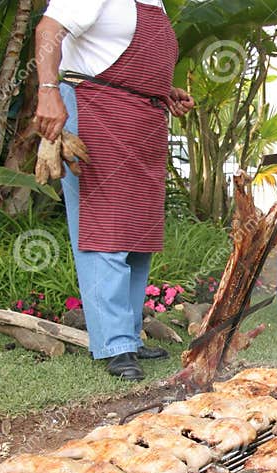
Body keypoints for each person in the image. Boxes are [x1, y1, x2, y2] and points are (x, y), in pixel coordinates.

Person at [35, 0, 194, 381]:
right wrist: (47, 90)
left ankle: (129, 337)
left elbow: (117, 54)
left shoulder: (153, 2)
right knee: (103, 228)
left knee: (138, 235)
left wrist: (161, 90)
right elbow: (48, 29)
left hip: (142, 118)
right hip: (96, 108)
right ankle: (115, 343)